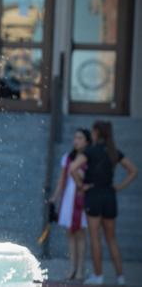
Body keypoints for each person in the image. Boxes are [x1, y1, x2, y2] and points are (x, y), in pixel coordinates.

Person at [70, 121, 137, 286]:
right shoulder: (114, 152)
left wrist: (81, 186)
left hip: (93, 196)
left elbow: (72, 168)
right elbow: (134, 170)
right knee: (112, 238)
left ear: (96, 132)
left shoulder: (90, 151)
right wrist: (119, 186)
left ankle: (98, 276)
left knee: (95, 239)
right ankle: (120, 276)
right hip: (109, 196)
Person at [48, 128, 92, 281]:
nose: (76, 141)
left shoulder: (90, 157)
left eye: (80, 138)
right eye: (75, 138)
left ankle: (81, 268)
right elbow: (62, 178)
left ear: (87, 141)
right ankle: (72, 267)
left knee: (80, 233)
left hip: (83, 197)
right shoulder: (68, 157)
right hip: (68, 197)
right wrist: (55, 197)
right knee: (70, 232)